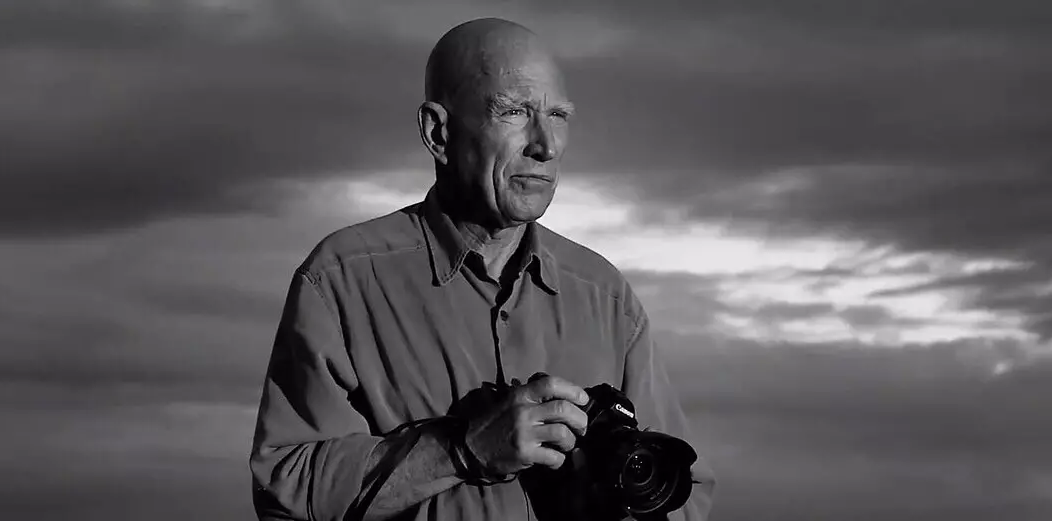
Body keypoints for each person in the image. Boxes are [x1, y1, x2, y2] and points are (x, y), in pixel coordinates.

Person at [249, 17, 716, 521]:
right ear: (438, 132)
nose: (547, 145)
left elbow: (686, 494)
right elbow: (285, 491)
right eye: (514, 111)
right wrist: (461, 450)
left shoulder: (606, 297)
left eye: (558, 115)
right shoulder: (341, 280)